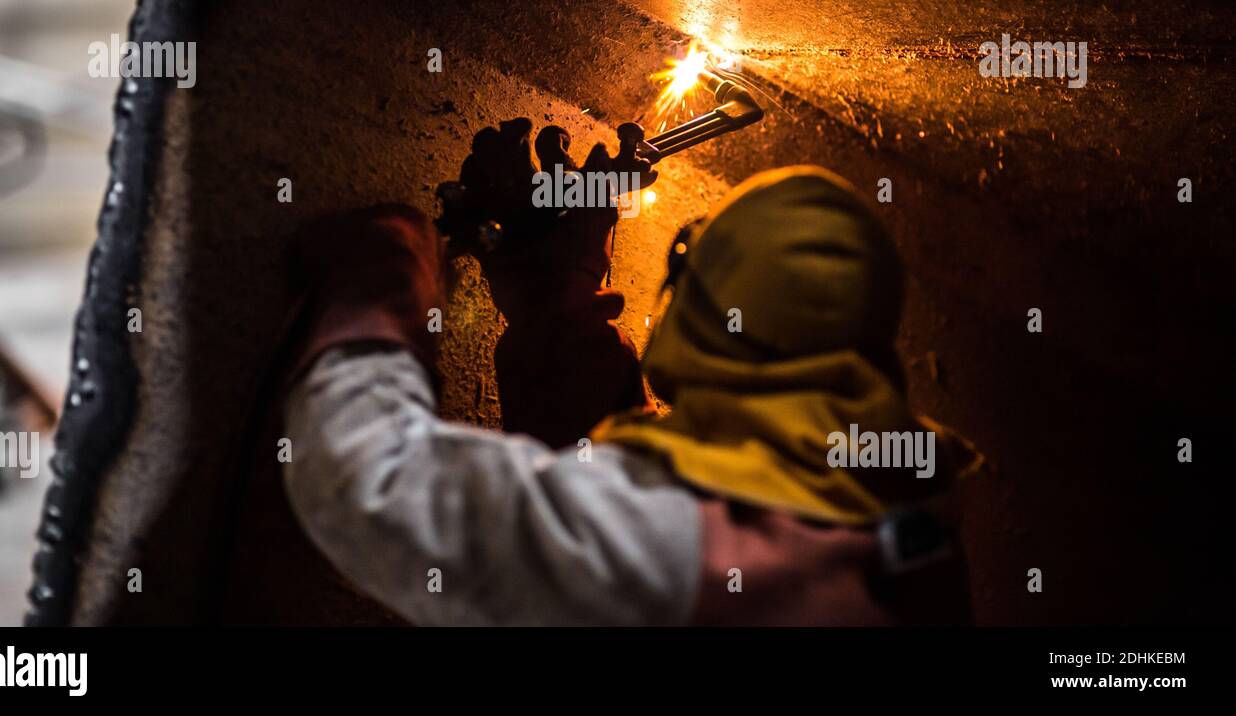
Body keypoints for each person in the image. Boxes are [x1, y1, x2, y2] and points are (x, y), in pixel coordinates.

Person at [277, 118, 979, 625]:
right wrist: (559, 310)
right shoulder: (906, 539)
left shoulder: (679, 540)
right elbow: (601, 487)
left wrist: (388, 268)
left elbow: (365, 478)